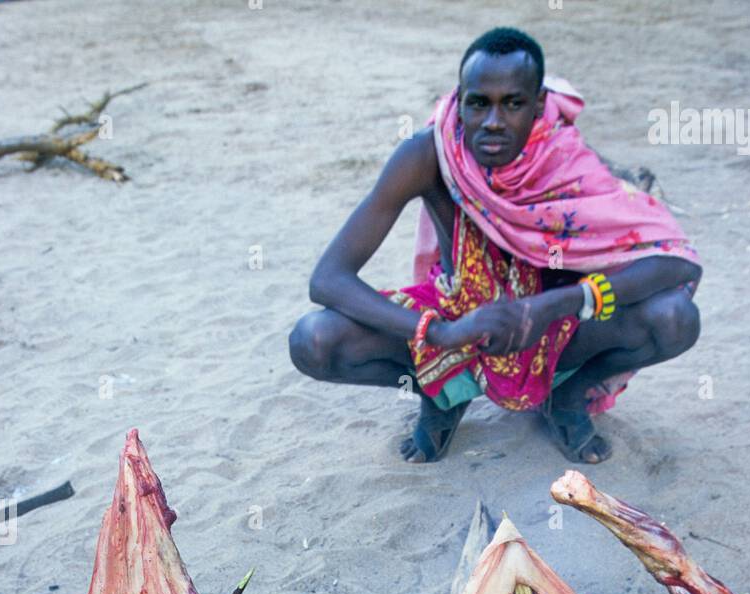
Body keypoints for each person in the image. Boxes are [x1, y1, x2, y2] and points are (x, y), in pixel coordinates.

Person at [289, 27, 702, 466]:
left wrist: (553, 305)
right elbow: (329, 279)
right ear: (459, 99)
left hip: (555, 326)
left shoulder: (566, 161)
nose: (493, 121)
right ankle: (440, 395)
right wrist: (439, 332)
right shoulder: (430, 155)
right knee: (314, 340)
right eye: (479, 102)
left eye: (513, 104)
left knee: (674, 319)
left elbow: (673, 260)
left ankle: (568, 396)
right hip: (455, 318)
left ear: (539, 105)